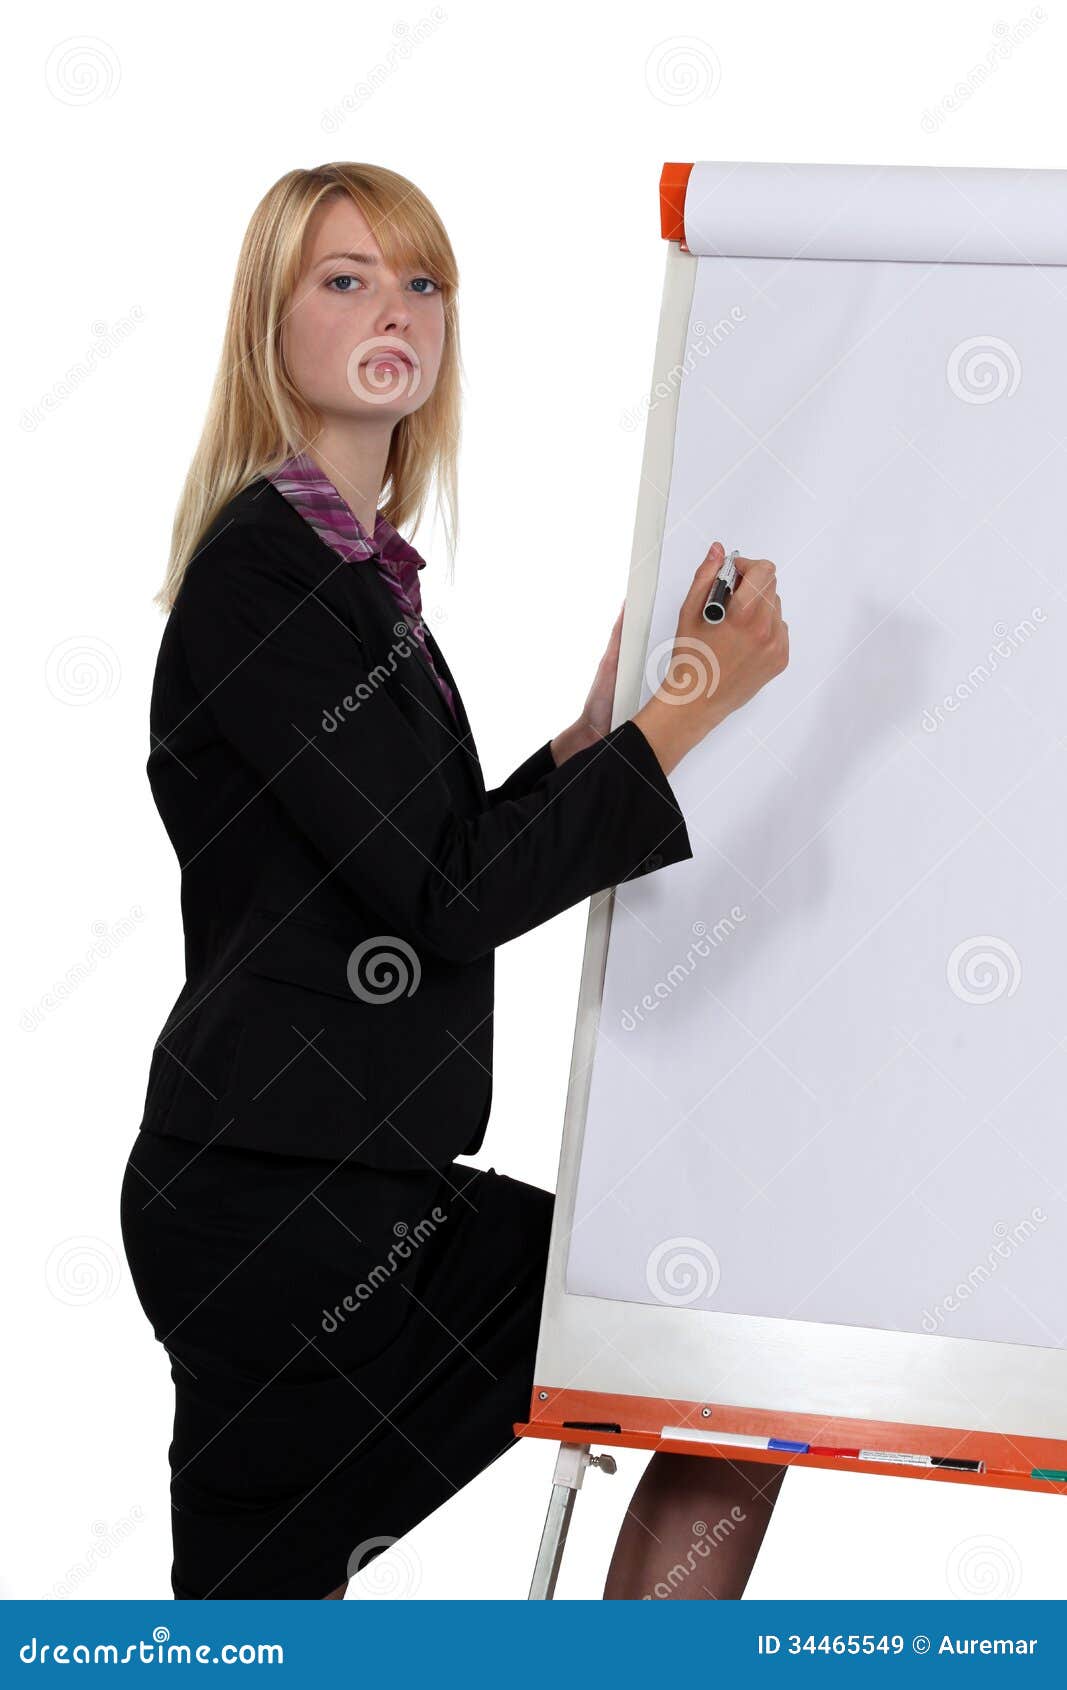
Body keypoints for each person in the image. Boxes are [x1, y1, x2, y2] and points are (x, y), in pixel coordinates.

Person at [119, 161, 790, 1601]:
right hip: (292, 1205)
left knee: (257, 1623)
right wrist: (686, 713)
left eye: (422, 282)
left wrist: (595, 734)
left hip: (330, 1190)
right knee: (712, 1353)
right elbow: (449, 898)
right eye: (346, 279)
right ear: (269, 322)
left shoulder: (347, 575)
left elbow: (414, 860)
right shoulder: (264, 575)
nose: (397, 310)